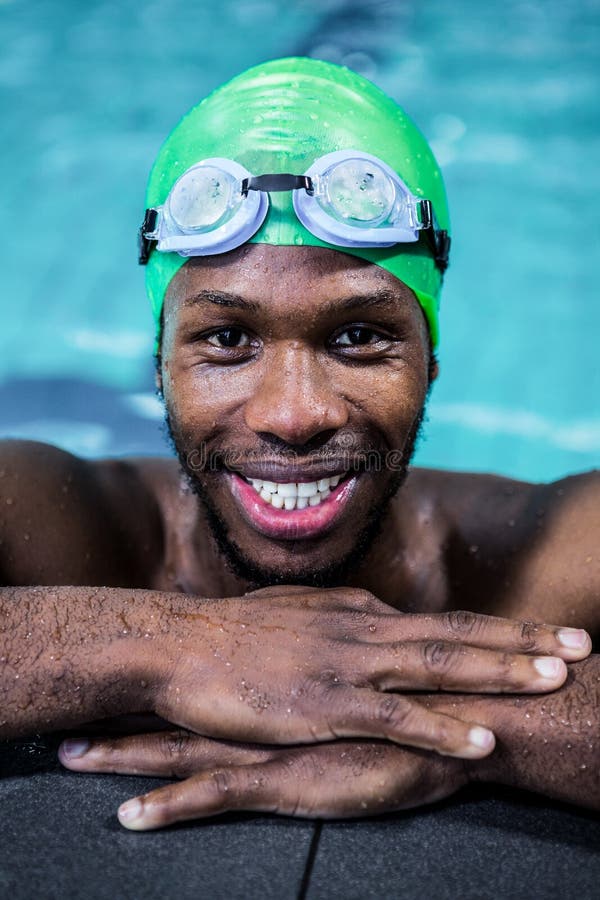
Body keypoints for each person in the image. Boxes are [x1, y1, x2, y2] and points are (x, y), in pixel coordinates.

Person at [1, 58, 597, 831]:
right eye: (226, 338)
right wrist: (174, 647)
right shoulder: (49, 514)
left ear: (431, 364)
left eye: (358, 336)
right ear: (158, 367)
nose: (292, 414)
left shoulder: (562, 548)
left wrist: (455, 721)